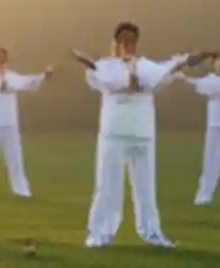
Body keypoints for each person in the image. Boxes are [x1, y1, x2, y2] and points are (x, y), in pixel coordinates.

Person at [72, 22, 211, 249]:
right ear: (116, 42)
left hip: (142, 132)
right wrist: (128, 80)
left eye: (131, 40)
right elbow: (107, 81)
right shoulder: (106, 66)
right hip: (114, 132)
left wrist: (190, 59)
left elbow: (166, 71)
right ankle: (100, 233)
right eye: (123, 40)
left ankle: (152, 232)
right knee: (107, 187)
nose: (127, 44)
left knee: (146, 189)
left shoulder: (147, 65)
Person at [0, 47, 53, 199]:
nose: (1, 63)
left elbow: (29, 82)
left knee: (15, 158)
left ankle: (21, 189)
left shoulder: (13, 77)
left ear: (7, 61)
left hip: (10, 122)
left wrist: (44, 75)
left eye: (3, 60)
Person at [181, 56, 220, 205]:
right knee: (211, 162)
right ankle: (204, 196)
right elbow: (201, 85)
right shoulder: (210, 80)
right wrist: (182, 77)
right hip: (216, 124)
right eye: (217, 62)